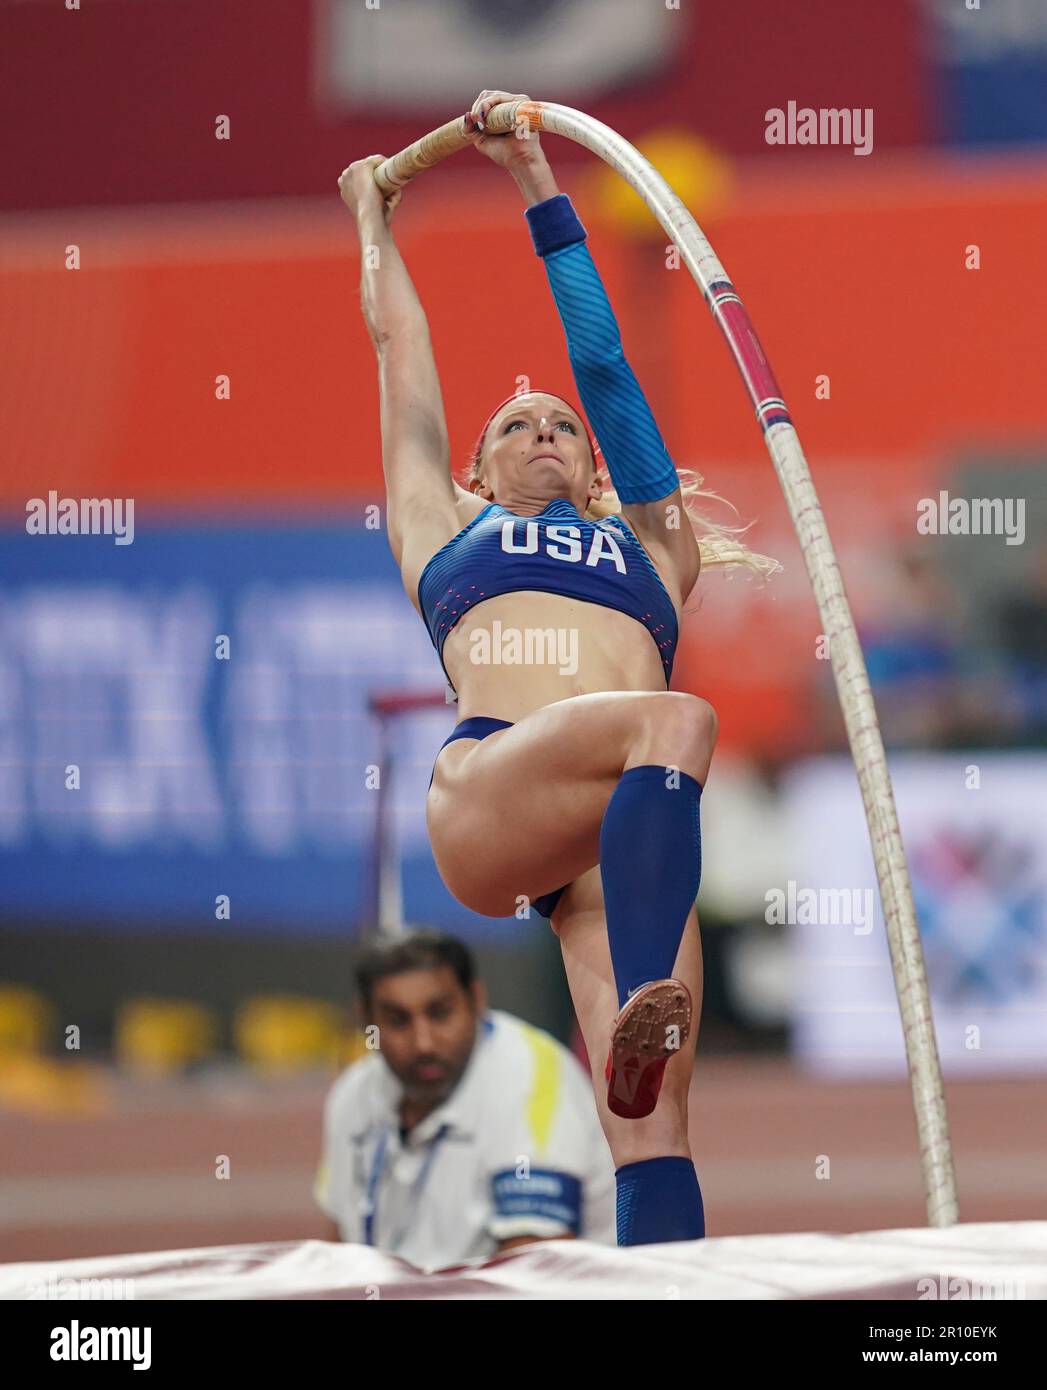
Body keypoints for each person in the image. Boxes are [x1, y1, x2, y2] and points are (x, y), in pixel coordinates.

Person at [337, 89, 777, 1245]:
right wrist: (373, 222)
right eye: (517, 423)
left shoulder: (654, 546)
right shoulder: (444, 527)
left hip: (598, 853)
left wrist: (537, 177)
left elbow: (605, 361)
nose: (546, 427)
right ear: (477, 470)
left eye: (562, 428)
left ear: (593, 469)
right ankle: (646, 998)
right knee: (676, 720)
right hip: (489, 793)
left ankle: (664, 1284)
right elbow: (404, 354)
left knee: (653, 1115)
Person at [313, 930, 616, 1264]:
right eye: (398, 1021)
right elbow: (339, 1250)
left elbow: (535, 1271)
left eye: (440, 1013)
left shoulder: (532, 1083)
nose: (423, 1043)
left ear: (476, 999)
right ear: (366, 1020)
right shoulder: (352, 1097)